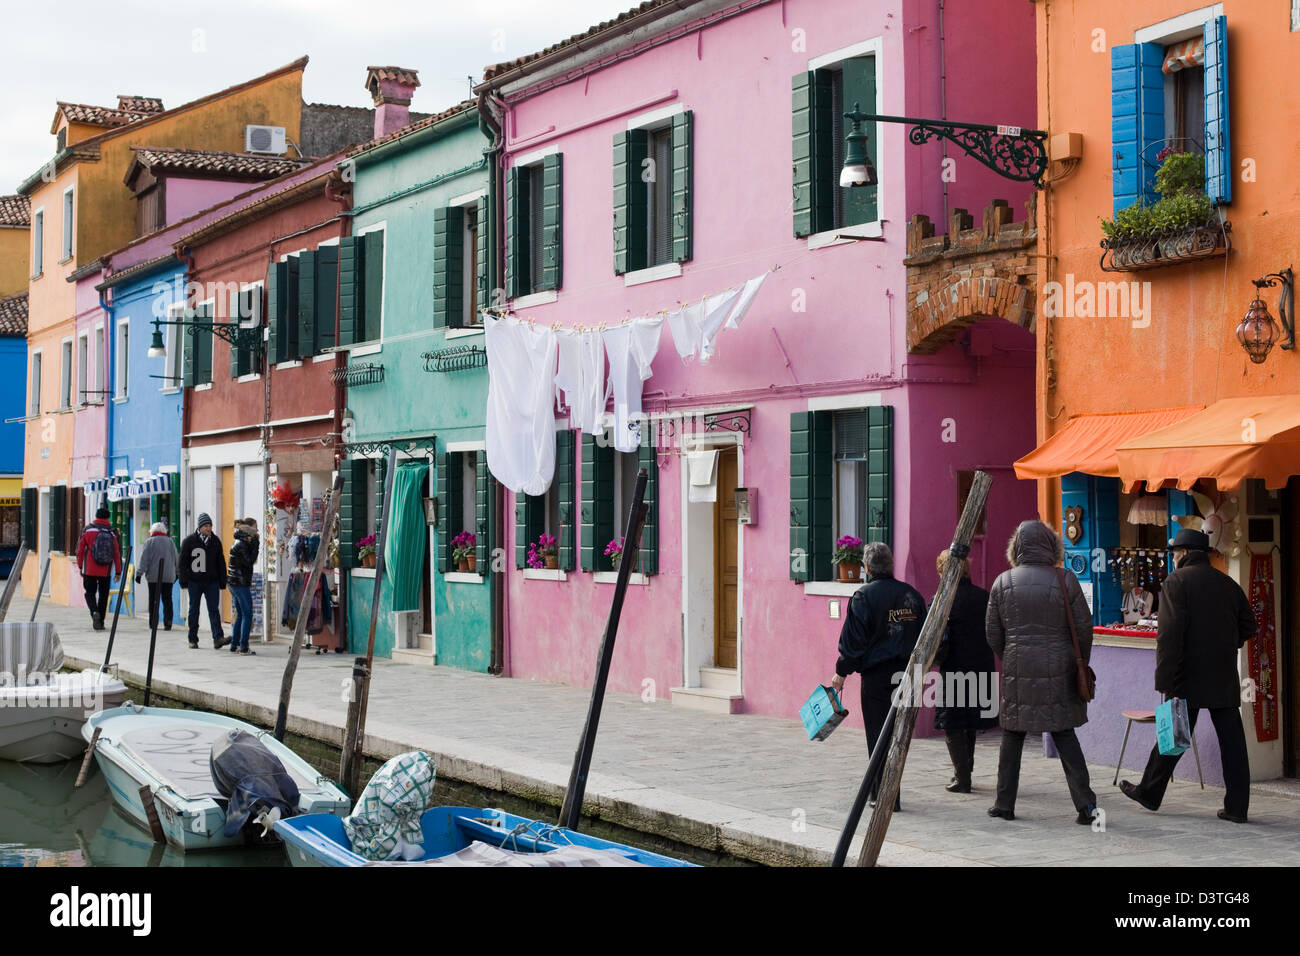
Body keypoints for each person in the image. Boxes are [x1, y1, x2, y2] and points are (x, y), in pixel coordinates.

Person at [1119, 528, 1254, 823]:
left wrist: (1164, 679)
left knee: (1174, 736)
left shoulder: (1176, 582)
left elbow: (1169, 636)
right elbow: (1248, 626)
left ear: (1182, 554)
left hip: (1186, 676)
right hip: (1222, 675)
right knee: (1232, 742)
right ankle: (1237, 807)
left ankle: (1150, 792)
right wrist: (1227, 645)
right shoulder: (1228, 584)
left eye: (1174, 553)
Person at [985, 520, 1098, 824]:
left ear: (1016, 548)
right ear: (1052, 546)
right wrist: (1078, 660)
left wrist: (1010, 656)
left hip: (1016, 667)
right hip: (1059, 668)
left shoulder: (1002, 582)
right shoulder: (1066, 580)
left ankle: (1004, 804)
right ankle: (1086, 806)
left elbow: (992, 633)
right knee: (1064, 735)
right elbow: (1084, 627)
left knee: (1012, 737)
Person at [830, 542, 926, 808]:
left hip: (877, 676)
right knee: (900, 735)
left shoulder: (864, 597)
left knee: (878, 735)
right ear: (891, 565)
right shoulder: (912, 596)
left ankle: (884, 796)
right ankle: (890, 792)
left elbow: (853, 644)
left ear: (866, 567)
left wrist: (841, 672)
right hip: (908, 675)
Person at [931, 550, 999, 794]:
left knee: (953, 722)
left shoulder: (943, 599)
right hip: (981, 665)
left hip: (954, 669)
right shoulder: (984, 597)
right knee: (970, 721)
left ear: (943, 571)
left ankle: (962, 776)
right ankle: (965, 772)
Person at [178, 512, 228, 650]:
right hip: (195, 581)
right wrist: (183, 580)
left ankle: (218, 637)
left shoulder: (215, 541)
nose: (208, 528)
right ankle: (192, 639)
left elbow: (221, 562)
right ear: (200, 527)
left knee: (214, 610)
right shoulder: (189, 541)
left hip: (212, 581)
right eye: (205, 526)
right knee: (194, 610)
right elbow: (182, 562)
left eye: (210, 525)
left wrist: (223, 580)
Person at [75, 506, 122, 631]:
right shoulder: (112, 532)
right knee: (103, 595)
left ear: (96, 516)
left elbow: (80, 550)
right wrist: (118, 571)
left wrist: (80, 565)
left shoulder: (88, 530)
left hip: (89, 568)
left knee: (89, 593)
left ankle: (94, 611)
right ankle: (100, 621)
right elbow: (117, 553)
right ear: (108, 517)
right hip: (105, 569)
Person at [135, 522, 179, 631]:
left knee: (154, 600)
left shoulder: (149, 542)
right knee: (167, 599)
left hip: (154, 577)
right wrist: (177, 573)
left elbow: (144, 559)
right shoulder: (170, 542)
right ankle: (168, 622)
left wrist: (139, 573)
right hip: (169, 576)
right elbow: (176, 558)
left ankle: (153, 623)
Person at [227, 518, 260, 655]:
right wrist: (256, 545)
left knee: (240, 614)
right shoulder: (242, 544)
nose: (257, 530)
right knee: (247, 614)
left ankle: (235, 644)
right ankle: (244, 646)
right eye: (255, 527)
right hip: (239, 583)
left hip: (234, 582)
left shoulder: (239, 542)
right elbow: (250, 561)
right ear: (249, 529)